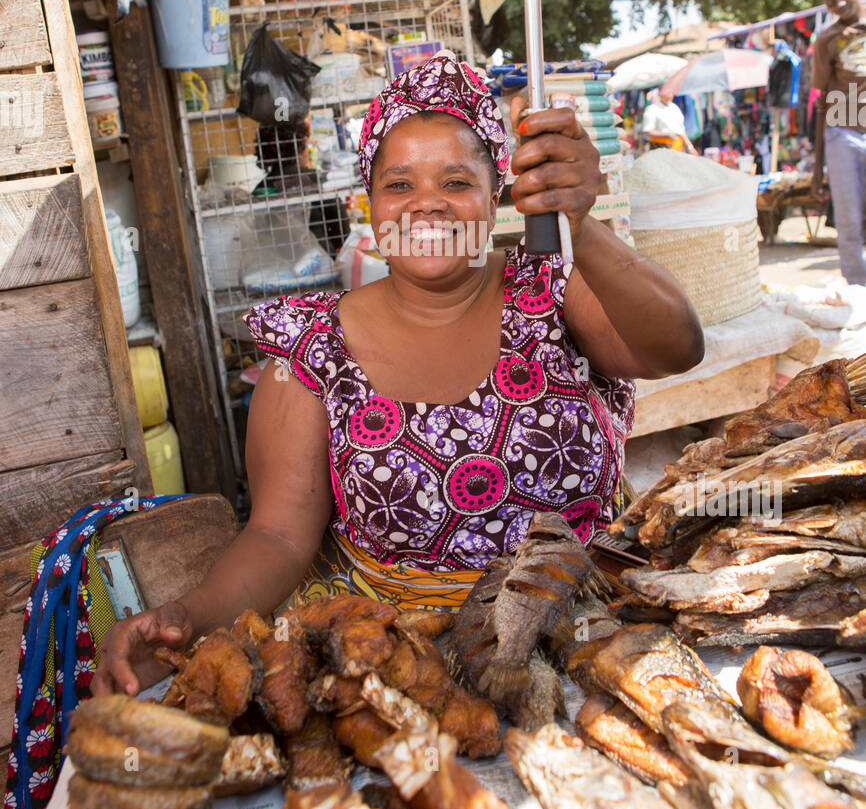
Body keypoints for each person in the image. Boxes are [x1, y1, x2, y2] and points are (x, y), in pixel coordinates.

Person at [94, 53, 704, 696]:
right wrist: (186, 618)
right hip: (402, 660)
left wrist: (578, 218)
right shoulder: (314, 347)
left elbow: (676, 347)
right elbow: (275, 535)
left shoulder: (552, 287)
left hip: (589, 639)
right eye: (400, 184)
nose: (427, 206)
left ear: (498, 193)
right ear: (371, 200)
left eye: (456, 182)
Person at [810, 0, 866, 285]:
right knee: (849, 222)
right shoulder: (826, 40)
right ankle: (860, 296)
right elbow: (822, 103)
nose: (837, 3)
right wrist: (818, 167)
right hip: (842, 131)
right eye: (830, 0)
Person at [641, 90, 699, 155]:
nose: (668, 96)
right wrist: (667, 134)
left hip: (677, 149)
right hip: (660, 150)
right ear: (660, 94)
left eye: (670, 94)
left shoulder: (675, 108)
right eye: (666, 94)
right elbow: (648, 132)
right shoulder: (652, 109)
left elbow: (681, 131)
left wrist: (690, 147)